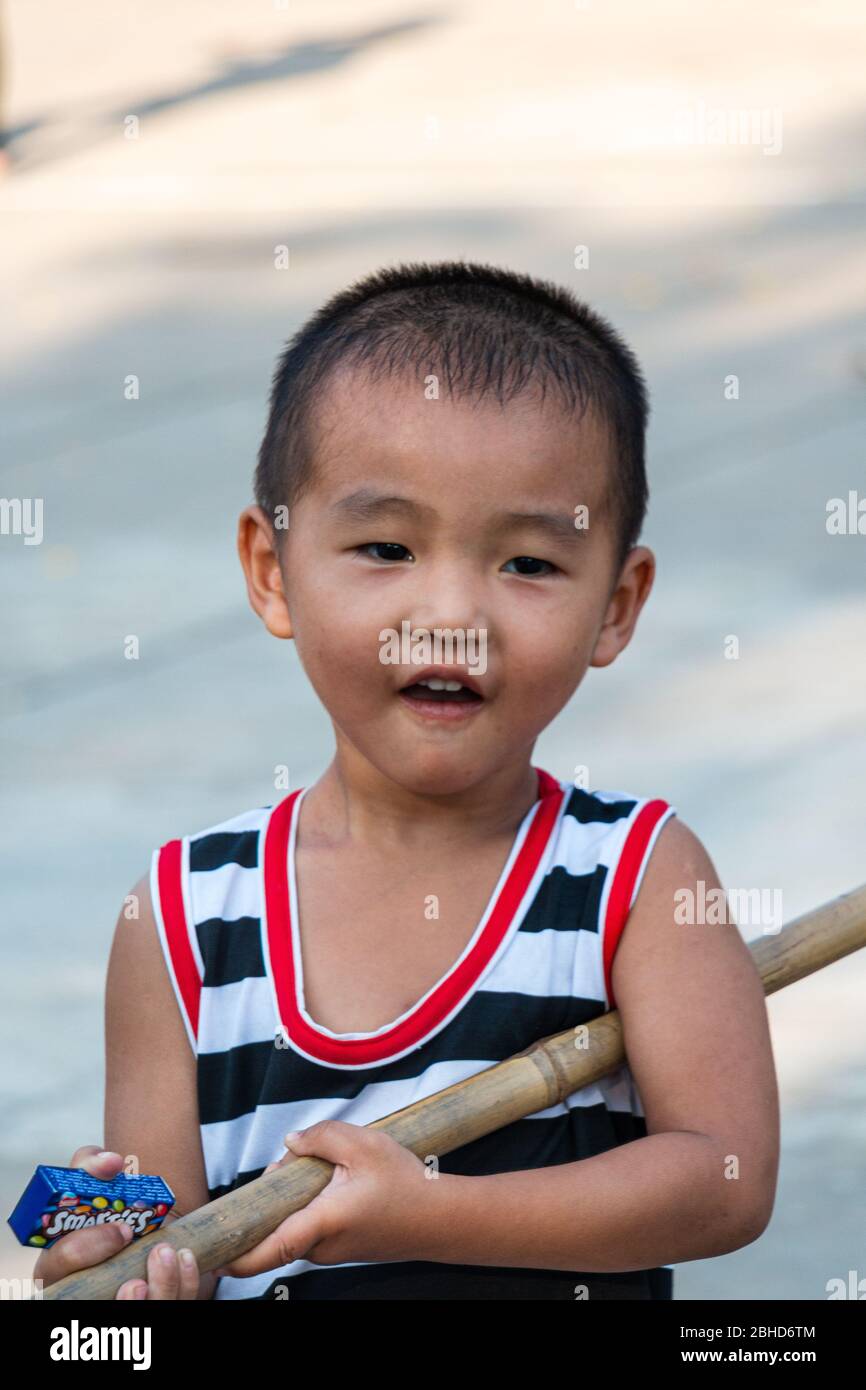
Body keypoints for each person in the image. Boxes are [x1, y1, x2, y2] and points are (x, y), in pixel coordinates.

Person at [36, 261, 779, 1300]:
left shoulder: (636, 877)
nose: (449, 615)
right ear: (271, 570)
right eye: (384, 545)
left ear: (617, 602)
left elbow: (724, 1180)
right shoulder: (182, 918)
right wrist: (108, 1264)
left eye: (526, 563)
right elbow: (160, 1247)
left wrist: (429, 1211)